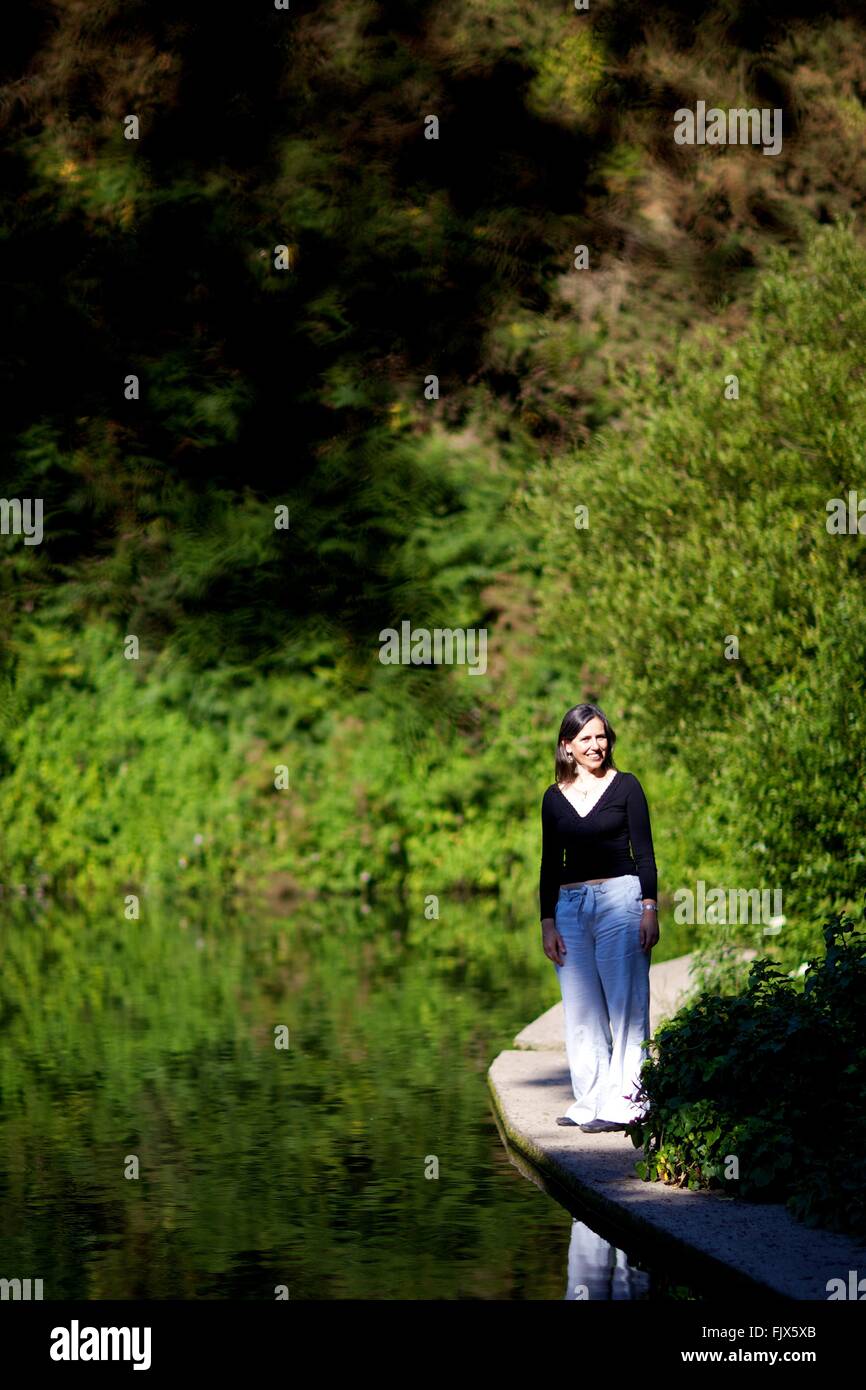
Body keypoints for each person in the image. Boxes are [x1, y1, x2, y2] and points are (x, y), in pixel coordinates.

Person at [539, 703, 659, 1134]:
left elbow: (644, 855)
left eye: (602, 736)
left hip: (620, 902)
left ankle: (628, 1102)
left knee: (626, 1006)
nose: (596, 745)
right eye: (586, 738)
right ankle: (591, 1100)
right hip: (570, 909)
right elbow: (549, 863)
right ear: (567, 745)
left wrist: (650, 908)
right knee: (582, 1011)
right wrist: (547, 921)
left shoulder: (626, 787)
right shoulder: (553, 797)